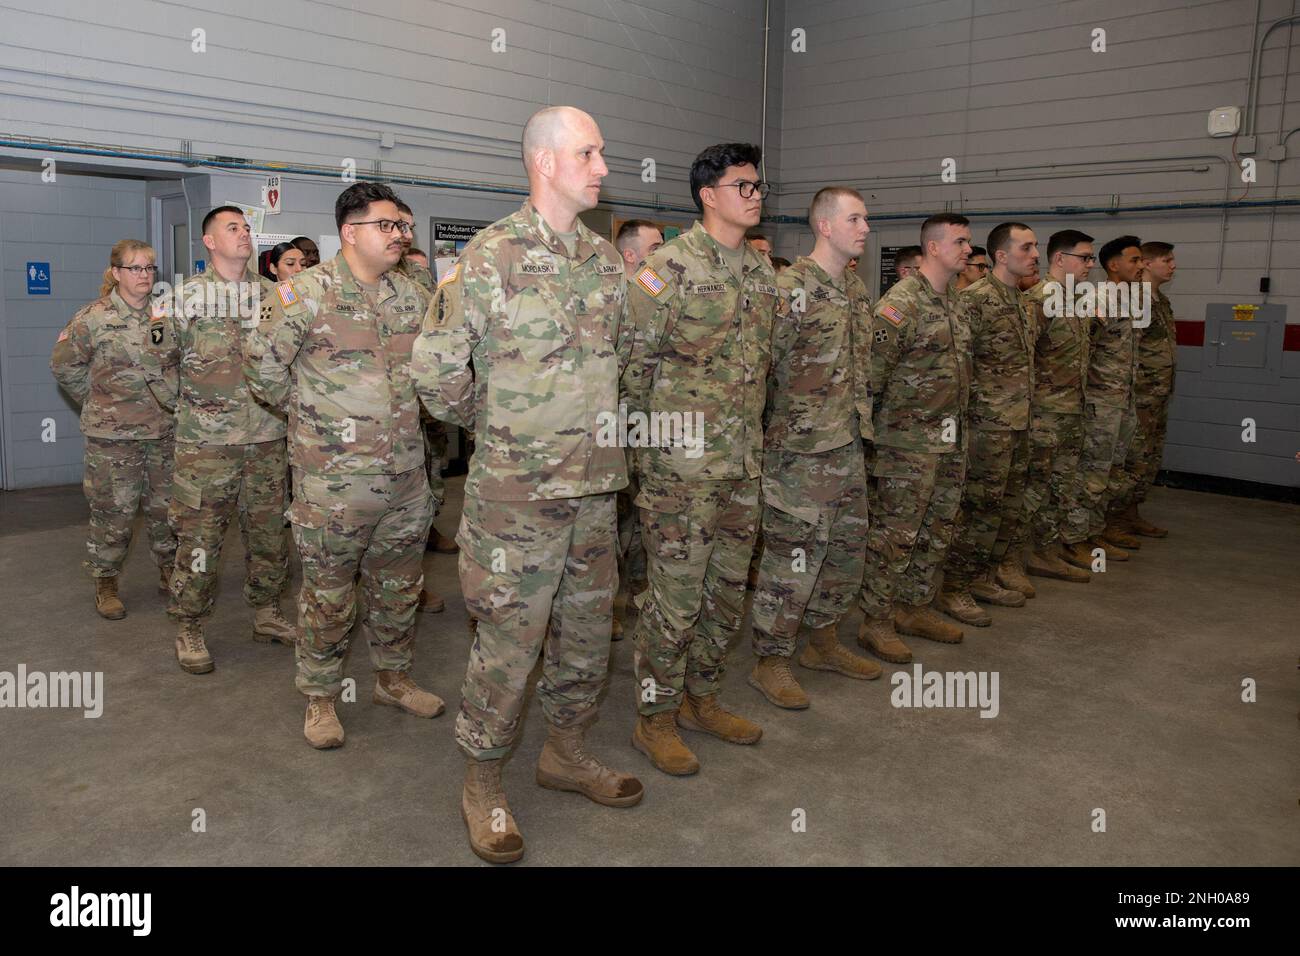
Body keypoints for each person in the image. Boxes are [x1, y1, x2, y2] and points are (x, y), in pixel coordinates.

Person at [412, 106, 644, 864]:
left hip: (595, 491)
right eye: (590, 152)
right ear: (545, 161)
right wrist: (507, 428)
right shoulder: (491, 256)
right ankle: (482, 781)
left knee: (584, 635)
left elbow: (626, 360)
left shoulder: (605, 260)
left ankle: (565, 753)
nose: (604, 167)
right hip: (516, 498)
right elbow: (437, 374)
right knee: (509, 644)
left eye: (602, 152)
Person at [246, 182, 444, 750]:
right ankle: (321, 697)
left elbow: (432, 371)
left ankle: (393, 678)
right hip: (333, 483)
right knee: (329, 592)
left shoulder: (411, 296)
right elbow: (262, 368)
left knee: (399, 586)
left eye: (403, 227)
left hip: (406, 476)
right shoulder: (303, 293)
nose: (401, 235)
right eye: (388, 225)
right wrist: (315, 423)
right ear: (350, 231)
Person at [623, 142, 779, 775]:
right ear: (709, 196)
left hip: (742, 464)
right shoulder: (668, 268)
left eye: (758, 185)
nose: (756, 194)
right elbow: (631, 364)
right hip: (680, 471)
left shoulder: (762, 272)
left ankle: (701, 697)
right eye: (743, 185)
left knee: (724, 594)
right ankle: (654, 718)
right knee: (674, 601)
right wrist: (648, 455)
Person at [143, 206, 294, 674]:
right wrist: (193, 411)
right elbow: (155, 365)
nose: (244, 234)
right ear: (208, 241)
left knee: (269, 535)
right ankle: (189, 626)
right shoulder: (181, 298)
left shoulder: (276, 297)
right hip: (206, 448)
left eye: (247, 228)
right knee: (200, 540)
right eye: (233, 228)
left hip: (267, 439)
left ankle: (267, 612)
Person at [748, 186, 878, 710]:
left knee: (846, 550)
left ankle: (823, 642)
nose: (865, 228)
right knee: (793, 557)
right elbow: (760, 370)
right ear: (824, 225)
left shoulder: (856, 290)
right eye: (855, 219)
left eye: (866, 219)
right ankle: (771, 658)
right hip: (797, 452)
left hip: (847, 444)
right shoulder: (790, 288)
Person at [857, 213, 972, 662]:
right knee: (895, 536)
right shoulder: (900, 303)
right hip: (907, 444)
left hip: (949, 438)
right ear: (934, 247)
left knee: (937, 530)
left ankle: (914, 606)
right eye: (960, 242)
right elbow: (872, 377)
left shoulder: (955, 301)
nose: (967, 250)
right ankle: (877, 619)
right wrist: (877, 443)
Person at [51, 240, 177, 619]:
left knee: (168, 511)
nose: (145, 275)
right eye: (136, 268)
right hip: (113, 438)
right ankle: (105, 581)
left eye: (150, 268)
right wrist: (96, 404)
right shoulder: (93, 317)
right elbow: (64, 366)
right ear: (116, 273)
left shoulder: (166, 315)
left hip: (163, 434)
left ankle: (169, 572)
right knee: (113, 512)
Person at [936, 222, 1039, 627]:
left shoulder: (1021, 300)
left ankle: (982, 576)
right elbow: (958, 366)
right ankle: (954, 588)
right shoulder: (975, 300)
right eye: (1027, 247)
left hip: (1017, 422)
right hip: (985, 427)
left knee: (1004, 509)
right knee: (979, 509)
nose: (1035, 255)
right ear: (1001, 255)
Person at [1014, 230, 1094, 584]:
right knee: (1033, 490)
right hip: (1043, 413)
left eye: (1092, 258)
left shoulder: (1075, 299)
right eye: (1085, 257)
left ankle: (1046, 552)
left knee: (1061, 487)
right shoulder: (1040, 299)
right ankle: (1011, 561)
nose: (1091, 264)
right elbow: (1022, 358)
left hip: (1071, 410)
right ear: (1060, 259)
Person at [1073, 235, 1144, 564]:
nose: (1140, 265)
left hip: (1121, 400)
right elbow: (1082, 351)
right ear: (1113, 265)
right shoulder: (1099, 299)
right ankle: (1075, 539)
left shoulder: (1130, 298)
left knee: (1111, 471)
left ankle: (1095, 532)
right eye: (1134, 260)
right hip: (1100, 403)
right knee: (1092, 473)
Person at [1119, 241, 1177, 538]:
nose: (1173, 265)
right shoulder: (1134, 299)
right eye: (1166, 260)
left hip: (1158, 392)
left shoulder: (1160, 301)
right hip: (1139, 392)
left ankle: (1132, 513)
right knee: (1134, 456)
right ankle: (1116, 518)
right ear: (1148, 263)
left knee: (1150, 455)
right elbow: (1127, 347)